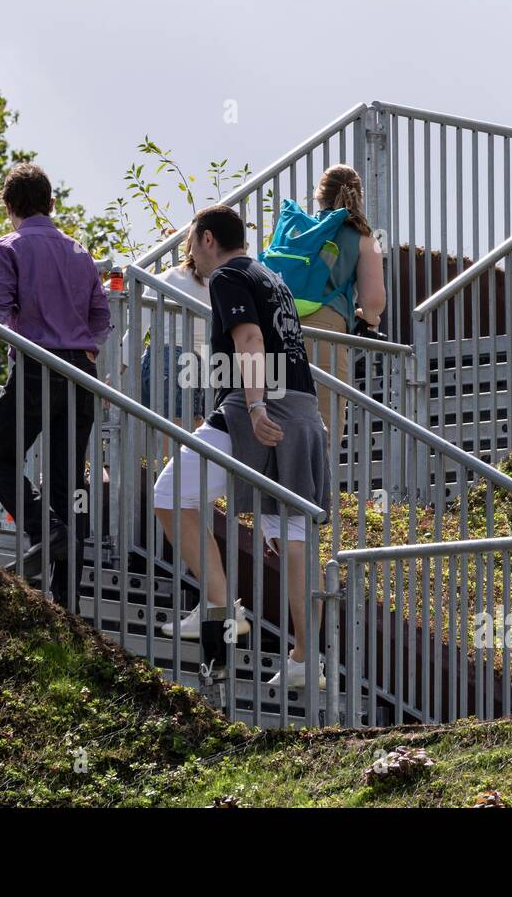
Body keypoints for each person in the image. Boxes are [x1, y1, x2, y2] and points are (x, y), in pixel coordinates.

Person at [153, 205, 330, 689]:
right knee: (293, 539)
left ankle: (219, 603)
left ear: (208, 239)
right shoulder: (269, 276)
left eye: (192, 242)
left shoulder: (228, 277)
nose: (190, 254)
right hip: (301, 410)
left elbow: (250, 338)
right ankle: (302, 658)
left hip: (256, 408)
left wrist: (255, 408)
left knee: (169, 495)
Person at [0, 164, 110, 612]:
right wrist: (83, 353)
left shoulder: (7, 246)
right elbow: (101, 319)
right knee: (71, 482)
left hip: (35, 368)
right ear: (52, 203)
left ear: (9, 207)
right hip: (79, 374)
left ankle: (44, 529)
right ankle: (67, 599)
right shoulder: (78, 252)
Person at [297, 164, 386, 429]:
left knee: (278, 425)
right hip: (326, 334)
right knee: (323, 428)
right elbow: (373, 301)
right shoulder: (363, 238)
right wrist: (368, 318)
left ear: (318, 196)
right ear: (359, 196)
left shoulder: (299, 227)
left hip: (277, 330)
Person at [121, 232, 209, 422]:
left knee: (164, 439)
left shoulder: (162, 278)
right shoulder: (219, 282)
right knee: (184, 438)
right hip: (186, 364)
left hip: (154, 362)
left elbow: (136, 330)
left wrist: (115, 373)